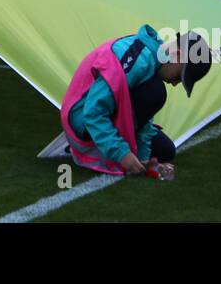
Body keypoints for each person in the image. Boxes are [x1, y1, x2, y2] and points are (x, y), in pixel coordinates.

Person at [60, 26, 212, 176]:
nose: (175, 83)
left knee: (166, 150)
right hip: (80, 123)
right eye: (180, 76)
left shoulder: (149, 56)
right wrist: (122, 154)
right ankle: (99, 147)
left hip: (96, 113)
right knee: (155, 92)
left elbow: (143, 115)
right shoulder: (137, 62)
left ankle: (121, 147)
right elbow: (93, 113)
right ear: (178, 55)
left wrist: (144, 159)